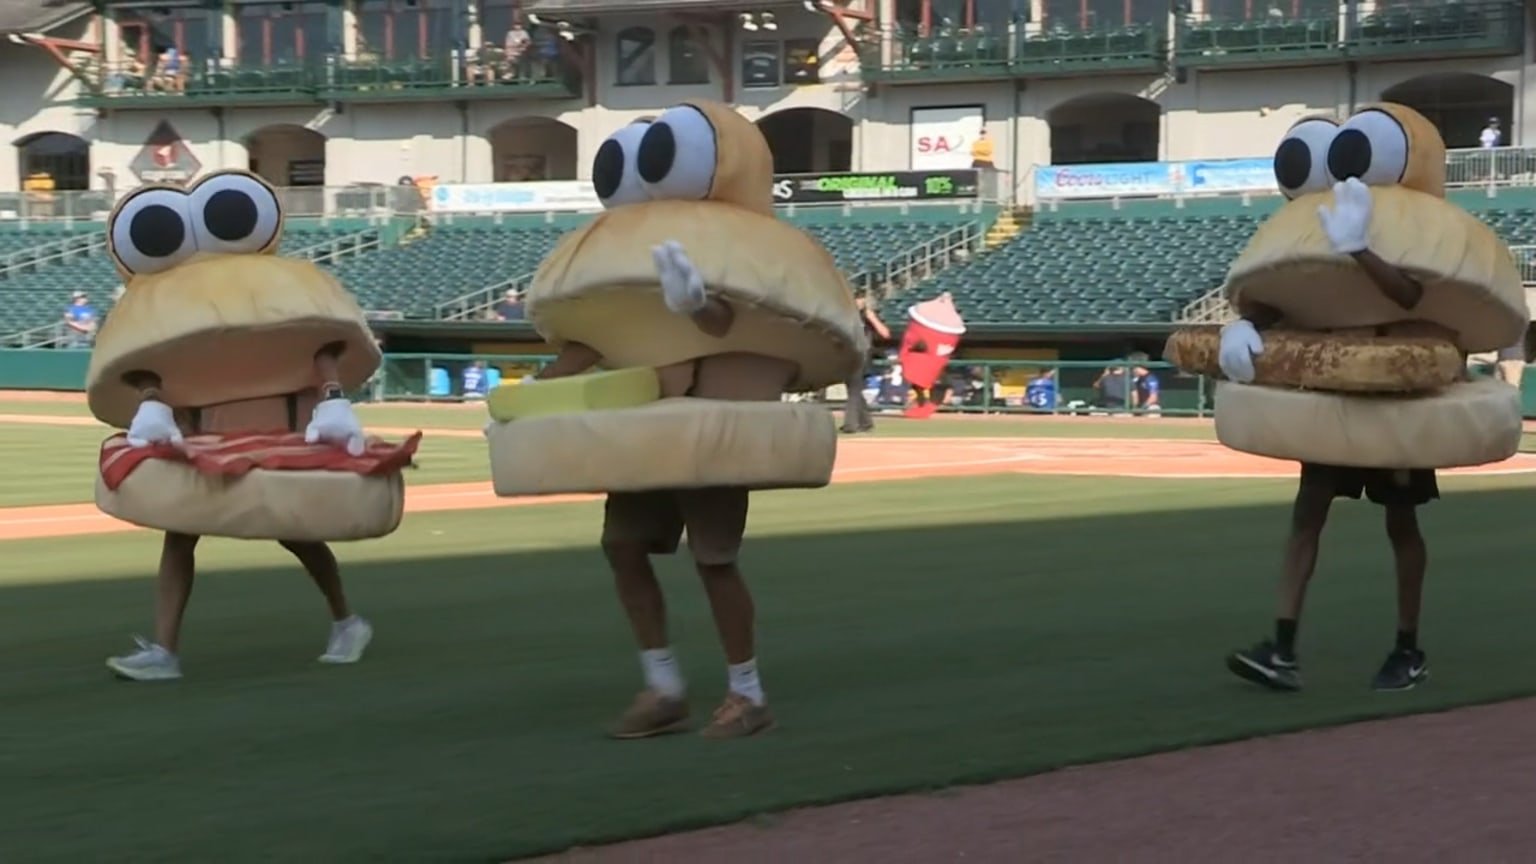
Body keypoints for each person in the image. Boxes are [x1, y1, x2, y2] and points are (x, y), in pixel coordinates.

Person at [1220, 177, 1439, 694]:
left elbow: (1410, 293)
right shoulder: (1312, 227)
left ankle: (1408, 650)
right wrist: (1246, 323)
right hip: (1332, 395)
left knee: (1401, 524)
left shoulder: (1396, 225)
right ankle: (1281, 648)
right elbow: (1295, 294)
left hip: (1391, 399)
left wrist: (1359, 247)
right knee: (1307, 517)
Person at [106, 345, 375, 681]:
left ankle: (347, 622)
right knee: (180, 533)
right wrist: (150, 397)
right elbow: (149, 360)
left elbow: (324, 343)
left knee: (296, 535)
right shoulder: (189, 317)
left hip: (275, 429)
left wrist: (332, 394)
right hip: (209, 433)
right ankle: (164, 652)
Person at [841, 293, 889, 433]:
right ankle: (866, 422)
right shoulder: (846, 314)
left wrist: (872, 318)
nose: (859, 302)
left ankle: (851, 424)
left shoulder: (868, 316)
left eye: (862, 299)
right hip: (847, 355)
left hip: (862, 355)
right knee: (853, 390)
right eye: (857, 298)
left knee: (854, 391)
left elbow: (885, 333)